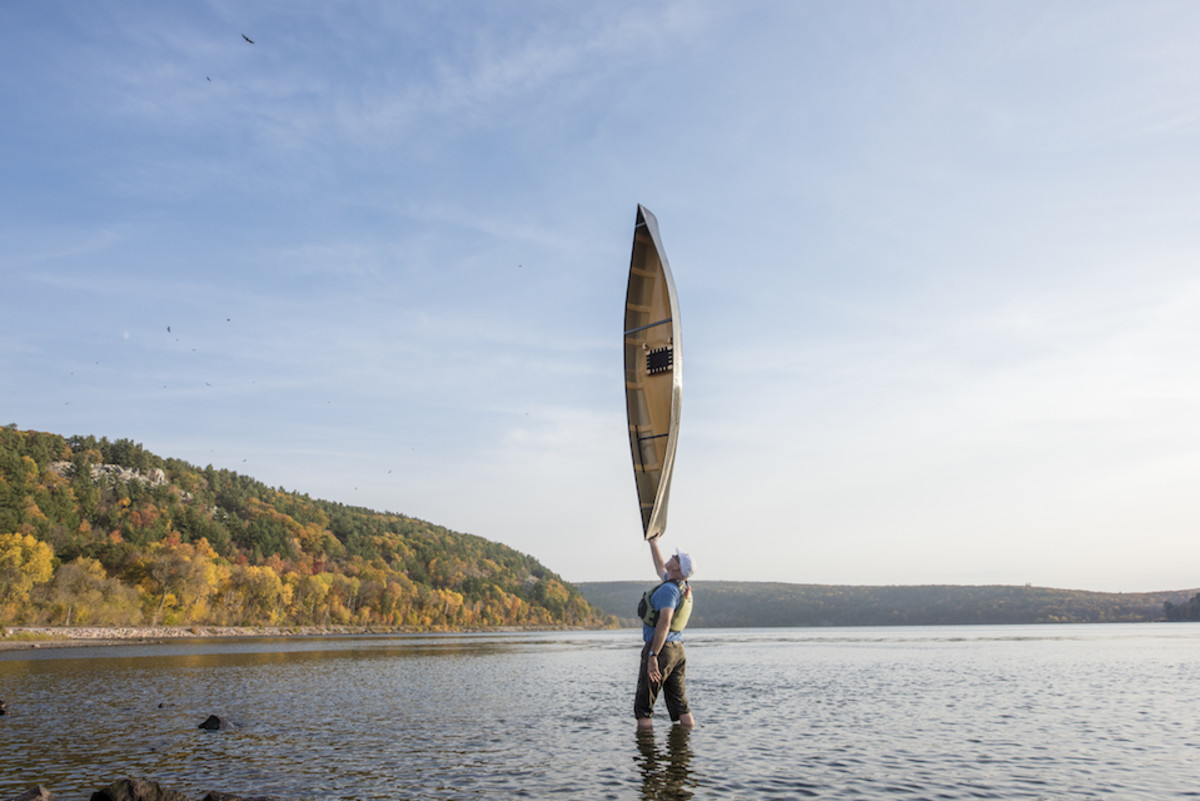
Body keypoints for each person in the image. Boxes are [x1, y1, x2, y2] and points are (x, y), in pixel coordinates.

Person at [635, 536, 696, 729]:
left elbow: (665, 622)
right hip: (677, 651)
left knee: (644, 707)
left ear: (678, 568)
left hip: (662, 651)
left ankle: (647, 756)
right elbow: (661, 566)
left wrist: (653, 654)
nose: (671, 556)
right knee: (681, 706)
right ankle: (684, 753)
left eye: (675, 558)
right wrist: (654, 544)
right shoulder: (680, 586)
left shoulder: (668, 591)